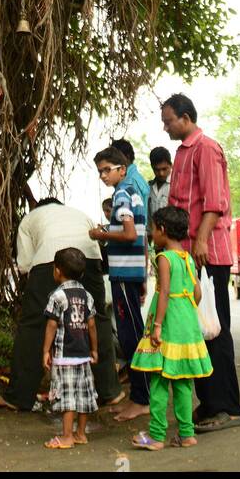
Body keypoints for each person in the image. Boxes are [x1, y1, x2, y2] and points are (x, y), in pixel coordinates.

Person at [0, 198, 121, 412]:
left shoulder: (30, 219)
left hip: (49, 260)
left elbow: (25, 265)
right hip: (89, 259)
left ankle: (19, 396)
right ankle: (110, 391)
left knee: (34, 325)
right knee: (98, 318)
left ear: (39, 208)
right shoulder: (78, 212)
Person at [162, 92, 240, 432]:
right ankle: (209, 403)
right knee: (197, 329)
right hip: (189, 254)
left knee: (215, 329)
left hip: (207, 253)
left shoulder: (207, 148)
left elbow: (215, 202)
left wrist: (199, 241)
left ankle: (228, 408)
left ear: (185, 117)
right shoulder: (183, 152)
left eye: (168, 120)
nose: (165, 127)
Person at [129, 205, 212, 451]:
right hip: (186, 327)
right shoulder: (187, 257)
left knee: (159, 381)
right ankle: (186, 434)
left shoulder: (164, 258)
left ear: (162, 230)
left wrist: (156, 326)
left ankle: (156, 436)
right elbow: (196, 292)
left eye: (153, 229)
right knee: (184, 383)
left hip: (167, 327)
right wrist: (186, 312)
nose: (152, 234)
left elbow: (164, 291)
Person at [89, 146, 149, 421]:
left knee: (131, 338)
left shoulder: (123, 194)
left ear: (121, 169)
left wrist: (100, 234)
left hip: (124, 274)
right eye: (100, 171)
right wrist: (144, 273)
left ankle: (142, 398)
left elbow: (128, 233)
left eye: (106, 170)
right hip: (133, 273)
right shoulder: (134, 192)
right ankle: (139, 396)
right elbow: (142, 235)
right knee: (131, 333)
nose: (103, 175)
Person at [42, 247, 98, 449]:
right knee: (83, 395)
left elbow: (52, 324)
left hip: (64, 356)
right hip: (83, 355)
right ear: (82, 273)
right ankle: (80, 434)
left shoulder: (57, 296)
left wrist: (46, 351)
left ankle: (66, 436)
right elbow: (92, 325)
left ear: (57, 271)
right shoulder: (87, 296)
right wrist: (94, 350)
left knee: (67, 396)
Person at [148, 147, 173, 226]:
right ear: (152, 167)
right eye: (157, 170)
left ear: (171, 165)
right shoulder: (149, 187)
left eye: (164, 169)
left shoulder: (176, 185)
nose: (161, 173)